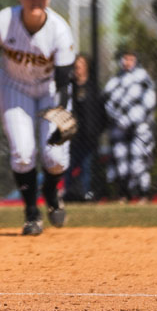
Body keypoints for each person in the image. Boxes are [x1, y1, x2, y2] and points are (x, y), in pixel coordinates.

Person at [0, 0, 76, 236]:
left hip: (50, 89)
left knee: (54, 156)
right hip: (14, 86)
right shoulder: (3, 21)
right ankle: (32, 213)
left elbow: (65, 82)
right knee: (22, 152)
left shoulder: (60, 31)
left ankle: (51, 192)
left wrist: (60, 115)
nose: (35, 0)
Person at [103, 49, 157, 202]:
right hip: (119, 128)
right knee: (120, 161)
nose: (127, 62)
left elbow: (149, 103)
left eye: (131, 59)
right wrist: (119, 119)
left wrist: (133, 119)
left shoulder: (143, 79)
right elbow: (108, 101)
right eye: (125, 59)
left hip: (140, 128)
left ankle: (143, 193)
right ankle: (123, 193)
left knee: (138, 159)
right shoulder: (115, 80)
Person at [63, 54, 106, 202]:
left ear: (86, 67)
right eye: (76, 66)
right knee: (68, 166)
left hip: (89, 137)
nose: (77, 69)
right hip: (74, 137)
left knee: (86, 167)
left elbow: (101, 112)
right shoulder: (70, 88)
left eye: (80, 66)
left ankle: (87, 194)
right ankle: (67, 193)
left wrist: (96, 131)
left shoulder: (93, 89)